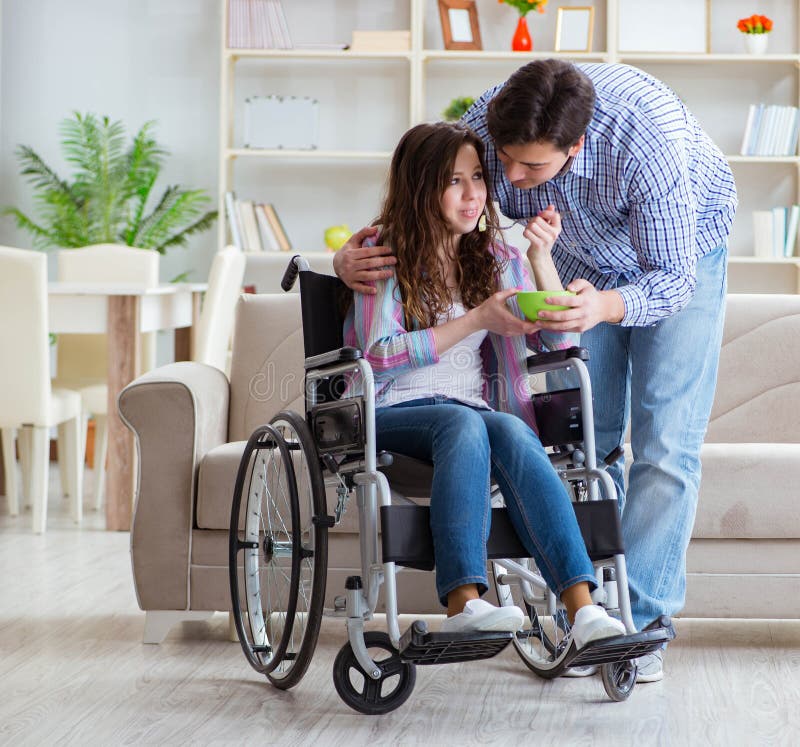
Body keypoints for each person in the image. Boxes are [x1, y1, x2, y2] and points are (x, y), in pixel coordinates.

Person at [334, 60, 737, 681]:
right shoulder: (477, 146)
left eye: (529, 170)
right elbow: (416, 191)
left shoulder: (643, 151)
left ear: (576, 147)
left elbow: (580, 320)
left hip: (676, 257)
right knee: (587, 446)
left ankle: (608, 621)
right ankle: (471, 599)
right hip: (400, 404)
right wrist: (343, 259)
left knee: (660, 447)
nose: (502, 184)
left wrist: (580, 292)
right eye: (498, 166)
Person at [343, 120, 626, 649]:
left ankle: (583, 610)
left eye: (478, 177)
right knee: (463, 422)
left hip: (469, 417)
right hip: (392, 411)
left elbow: (549, 346)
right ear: (421, 187)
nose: (473, 194)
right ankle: (463, 602)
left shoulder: (498, 259)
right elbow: (377, 357)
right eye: (454, 181)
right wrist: (475, 320)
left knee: (512, 432)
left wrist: (541, 261)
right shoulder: (381, 256)